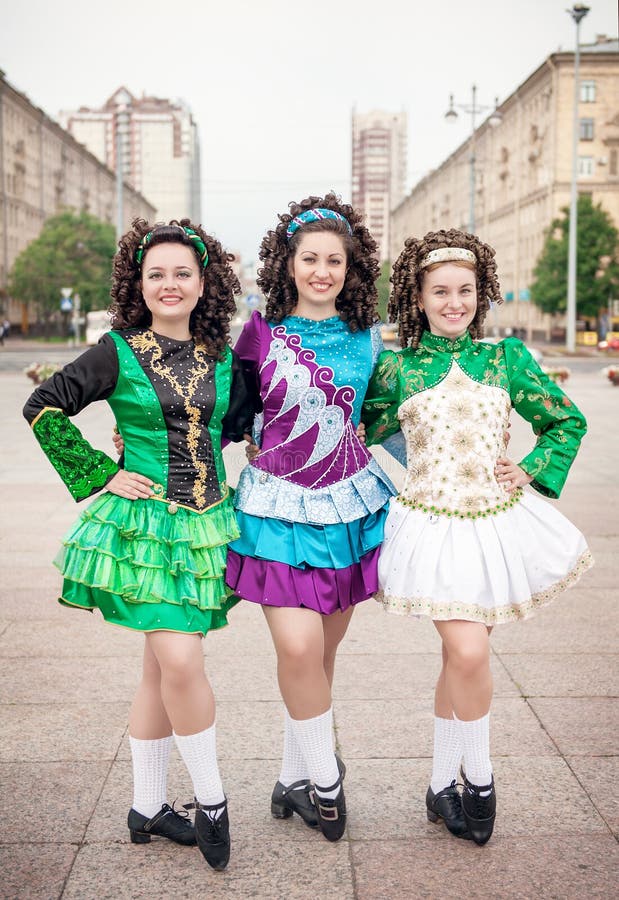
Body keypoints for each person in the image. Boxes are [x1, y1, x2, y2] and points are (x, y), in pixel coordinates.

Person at [23, 219, 255, 870]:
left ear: (204, 282)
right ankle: (211, 800)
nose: (169, 284)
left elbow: (235, 426)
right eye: (157, 273)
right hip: (146, 528)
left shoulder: (224, 357)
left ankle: (146, 806)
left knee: (161, 668)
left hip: (207, 526)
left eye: (182, 272)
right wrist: (102, 471)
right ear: (139, 282)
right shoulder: (116, 350)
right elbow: (43, 405)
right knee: (181, 662)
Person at [362, 229, 593, 845]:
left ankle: (442, 784)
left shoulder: (506, 357)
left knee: (458, 659)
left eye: (465, 291)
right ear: (418, 297)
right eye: (440, 292)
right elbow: (353, 428)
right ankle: (482, 779)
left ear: (480, 292)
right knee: (468, 652)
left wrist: (529, 468)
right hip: (432, 525)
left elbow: (566, 420)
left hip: (497, 526)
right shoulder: (396, 367)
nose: (454, 303)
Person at [226, 194, 396, 841]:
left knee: (320, 655)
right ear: (287, 263)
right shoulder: (257, 333)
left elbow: (390, 417)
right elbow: (226, 413)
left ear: (350, 269)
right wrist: (149, 449)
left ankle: (293, 775)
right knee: (296, 647)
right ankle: (325, 783)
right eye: (310, 259)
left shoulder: (367, 337)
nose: (322, 271)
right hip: (274, 505)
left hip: (348, 506)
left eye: (334, 261)